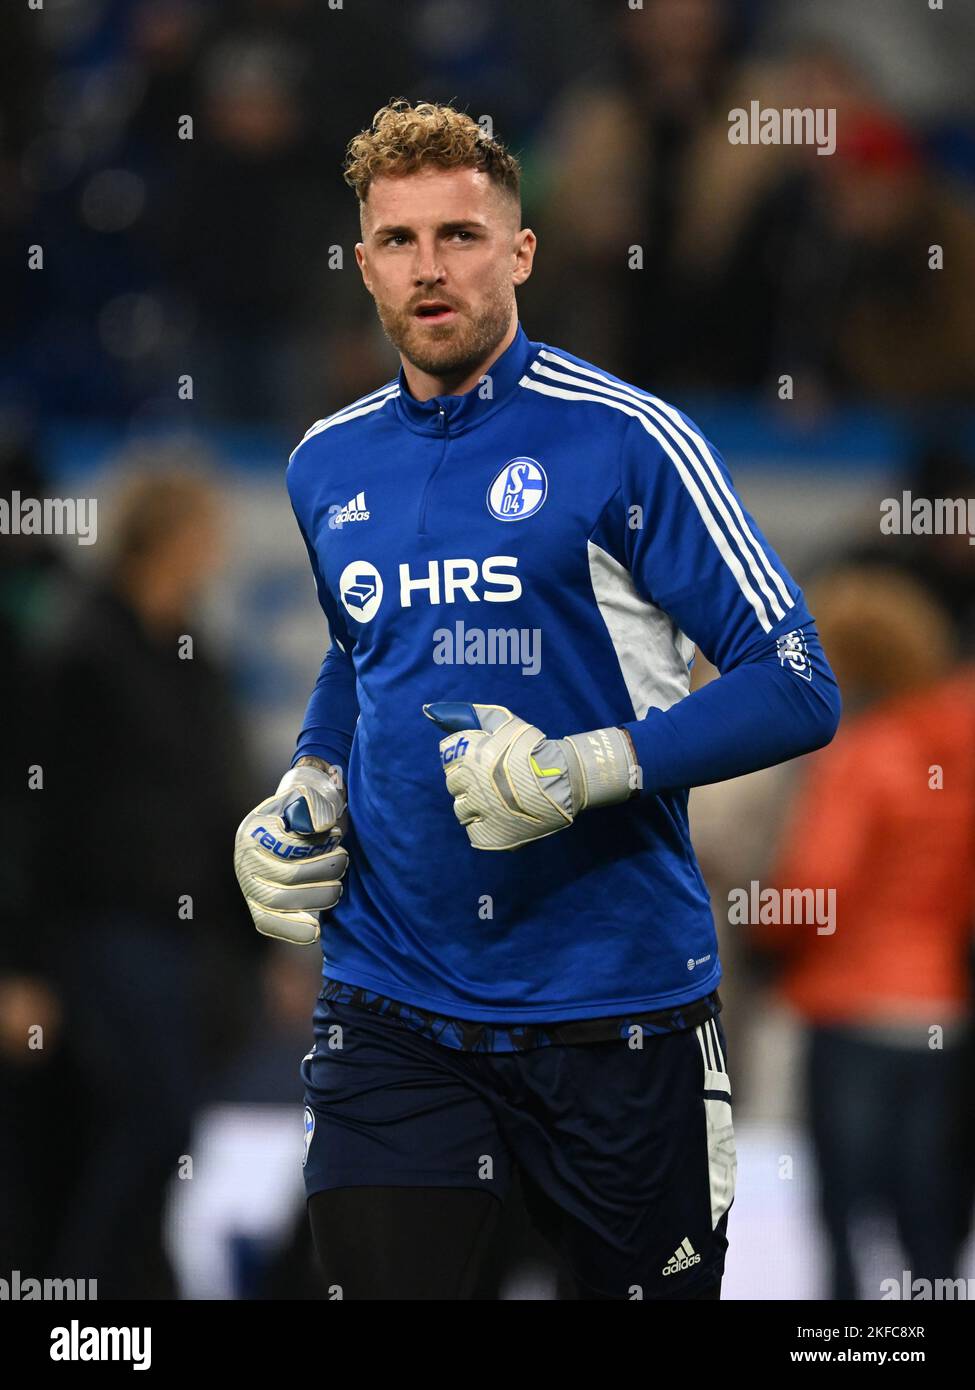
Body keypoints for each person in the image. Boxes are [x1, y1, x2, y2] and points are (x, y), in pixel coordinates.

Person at [233, 98, 841, 1301]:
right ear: (363, 264)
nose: (430, 268)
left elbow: (798, 681)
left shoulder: (631, 442)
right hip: (392, 1004)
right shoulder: (324, 461)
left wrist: (586, 768)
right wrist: (308, 774)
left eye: (460, 235)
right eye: (399, 242)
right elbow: (363, 648)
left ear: (520, 251)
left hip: (619, 1012)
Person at [754, 566, 975, 1299]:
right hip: (937, 1002)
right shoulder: (953, 752)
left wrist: (761, 932)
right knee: (928, 1207)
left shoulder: (863, 755)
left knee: (844, 1208)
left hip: (850, 1004)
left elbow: (820, 884)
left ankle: (849, 1347)